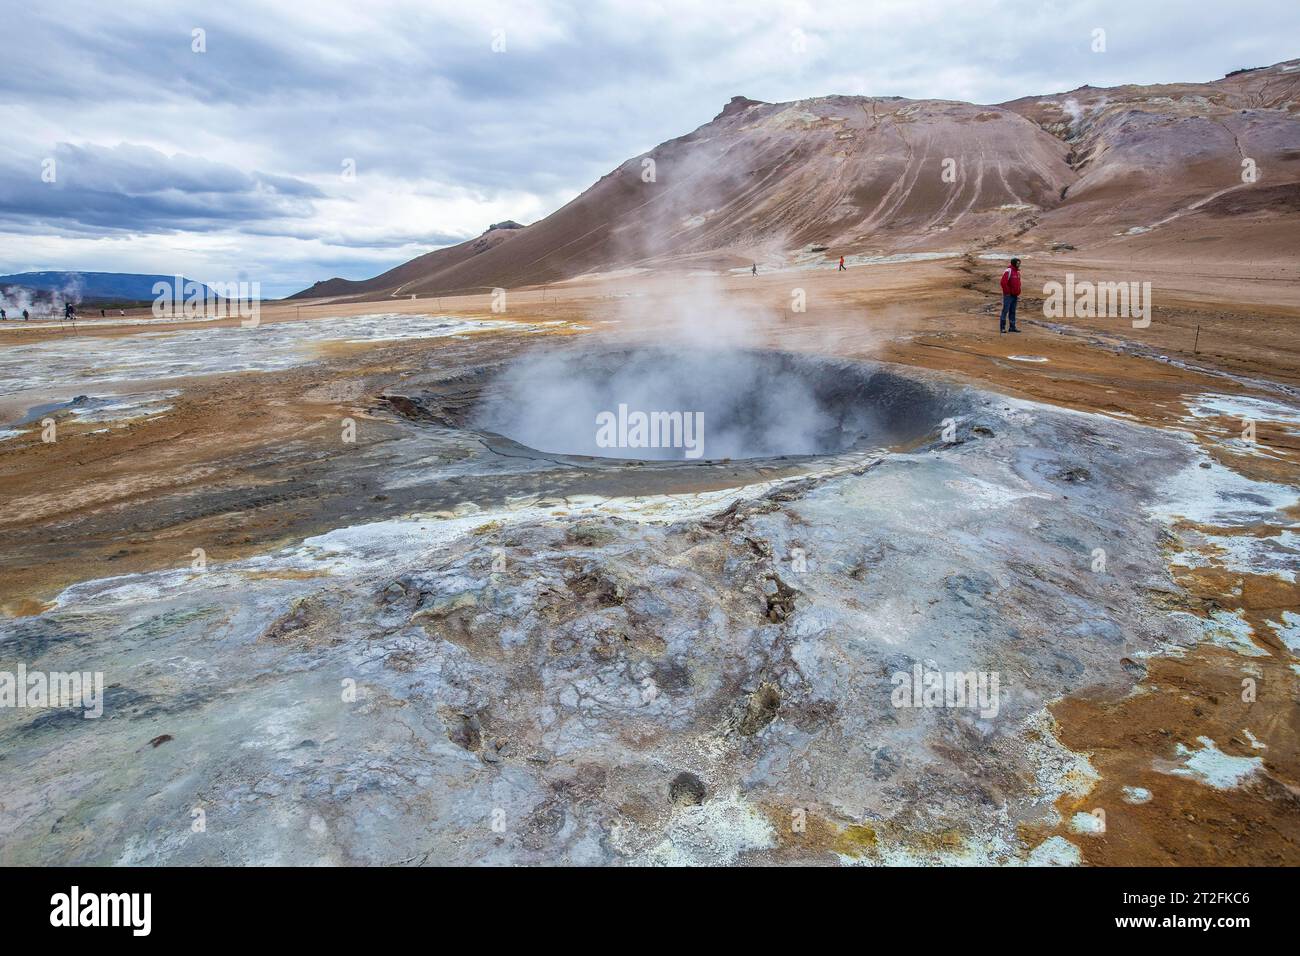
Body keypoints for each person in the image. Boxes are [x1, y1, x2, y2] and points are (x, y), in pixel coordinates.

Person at [999, 257, 1022, 333]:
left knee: (1012, 311)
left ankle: (1012, 327)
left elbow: (1018, 283)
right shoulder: (1008, 271)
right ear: (1014, 263)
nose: (1019, 264)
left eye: (1019, 263)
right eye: (1017, 263)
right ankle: (1002, 328)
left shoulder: (1018, 272)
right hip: (1008, 295)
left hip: (1015, 295)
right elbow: (1003, 282)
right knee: (1005, 311)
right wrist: (1007, 292)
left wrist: (1018, 292)